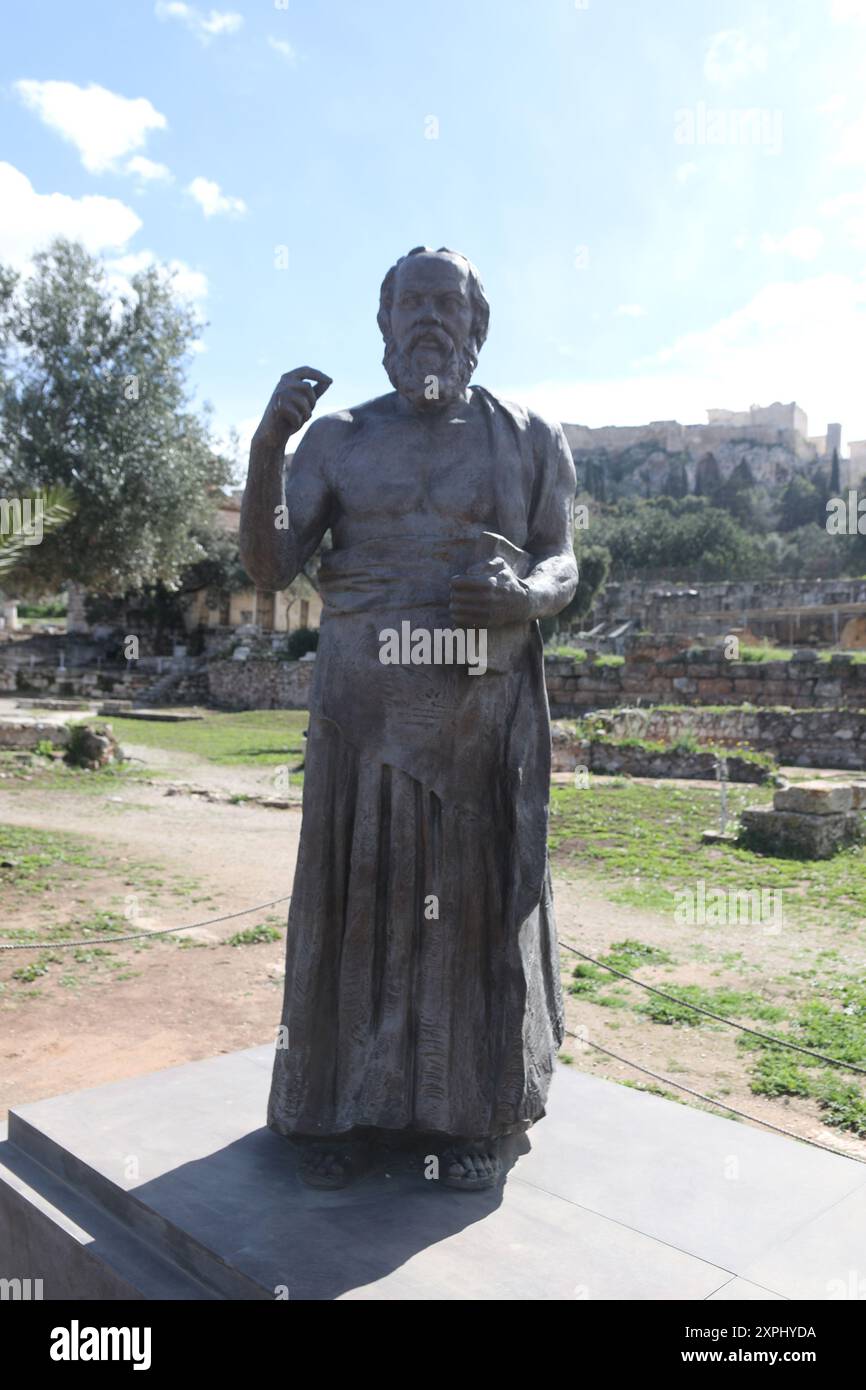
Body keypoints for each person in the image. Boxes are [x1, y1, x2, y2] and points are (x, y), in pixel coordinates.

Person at [240, 246, 577, 1191]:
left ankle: (477, 1107)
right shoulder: (338, 437)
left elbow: (563, 562)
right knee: (358, 902)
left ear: (476, 326)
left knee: (471, 907)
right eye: (412, 302)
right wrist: (268, 447)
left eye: (448, 302)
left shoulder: (530, 435)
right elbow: (270, 571)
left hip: (479, 712)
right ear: (384, 325)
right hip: (363, 710)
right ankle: (337, 1106)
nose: (430, 316)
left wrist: (528, 597)